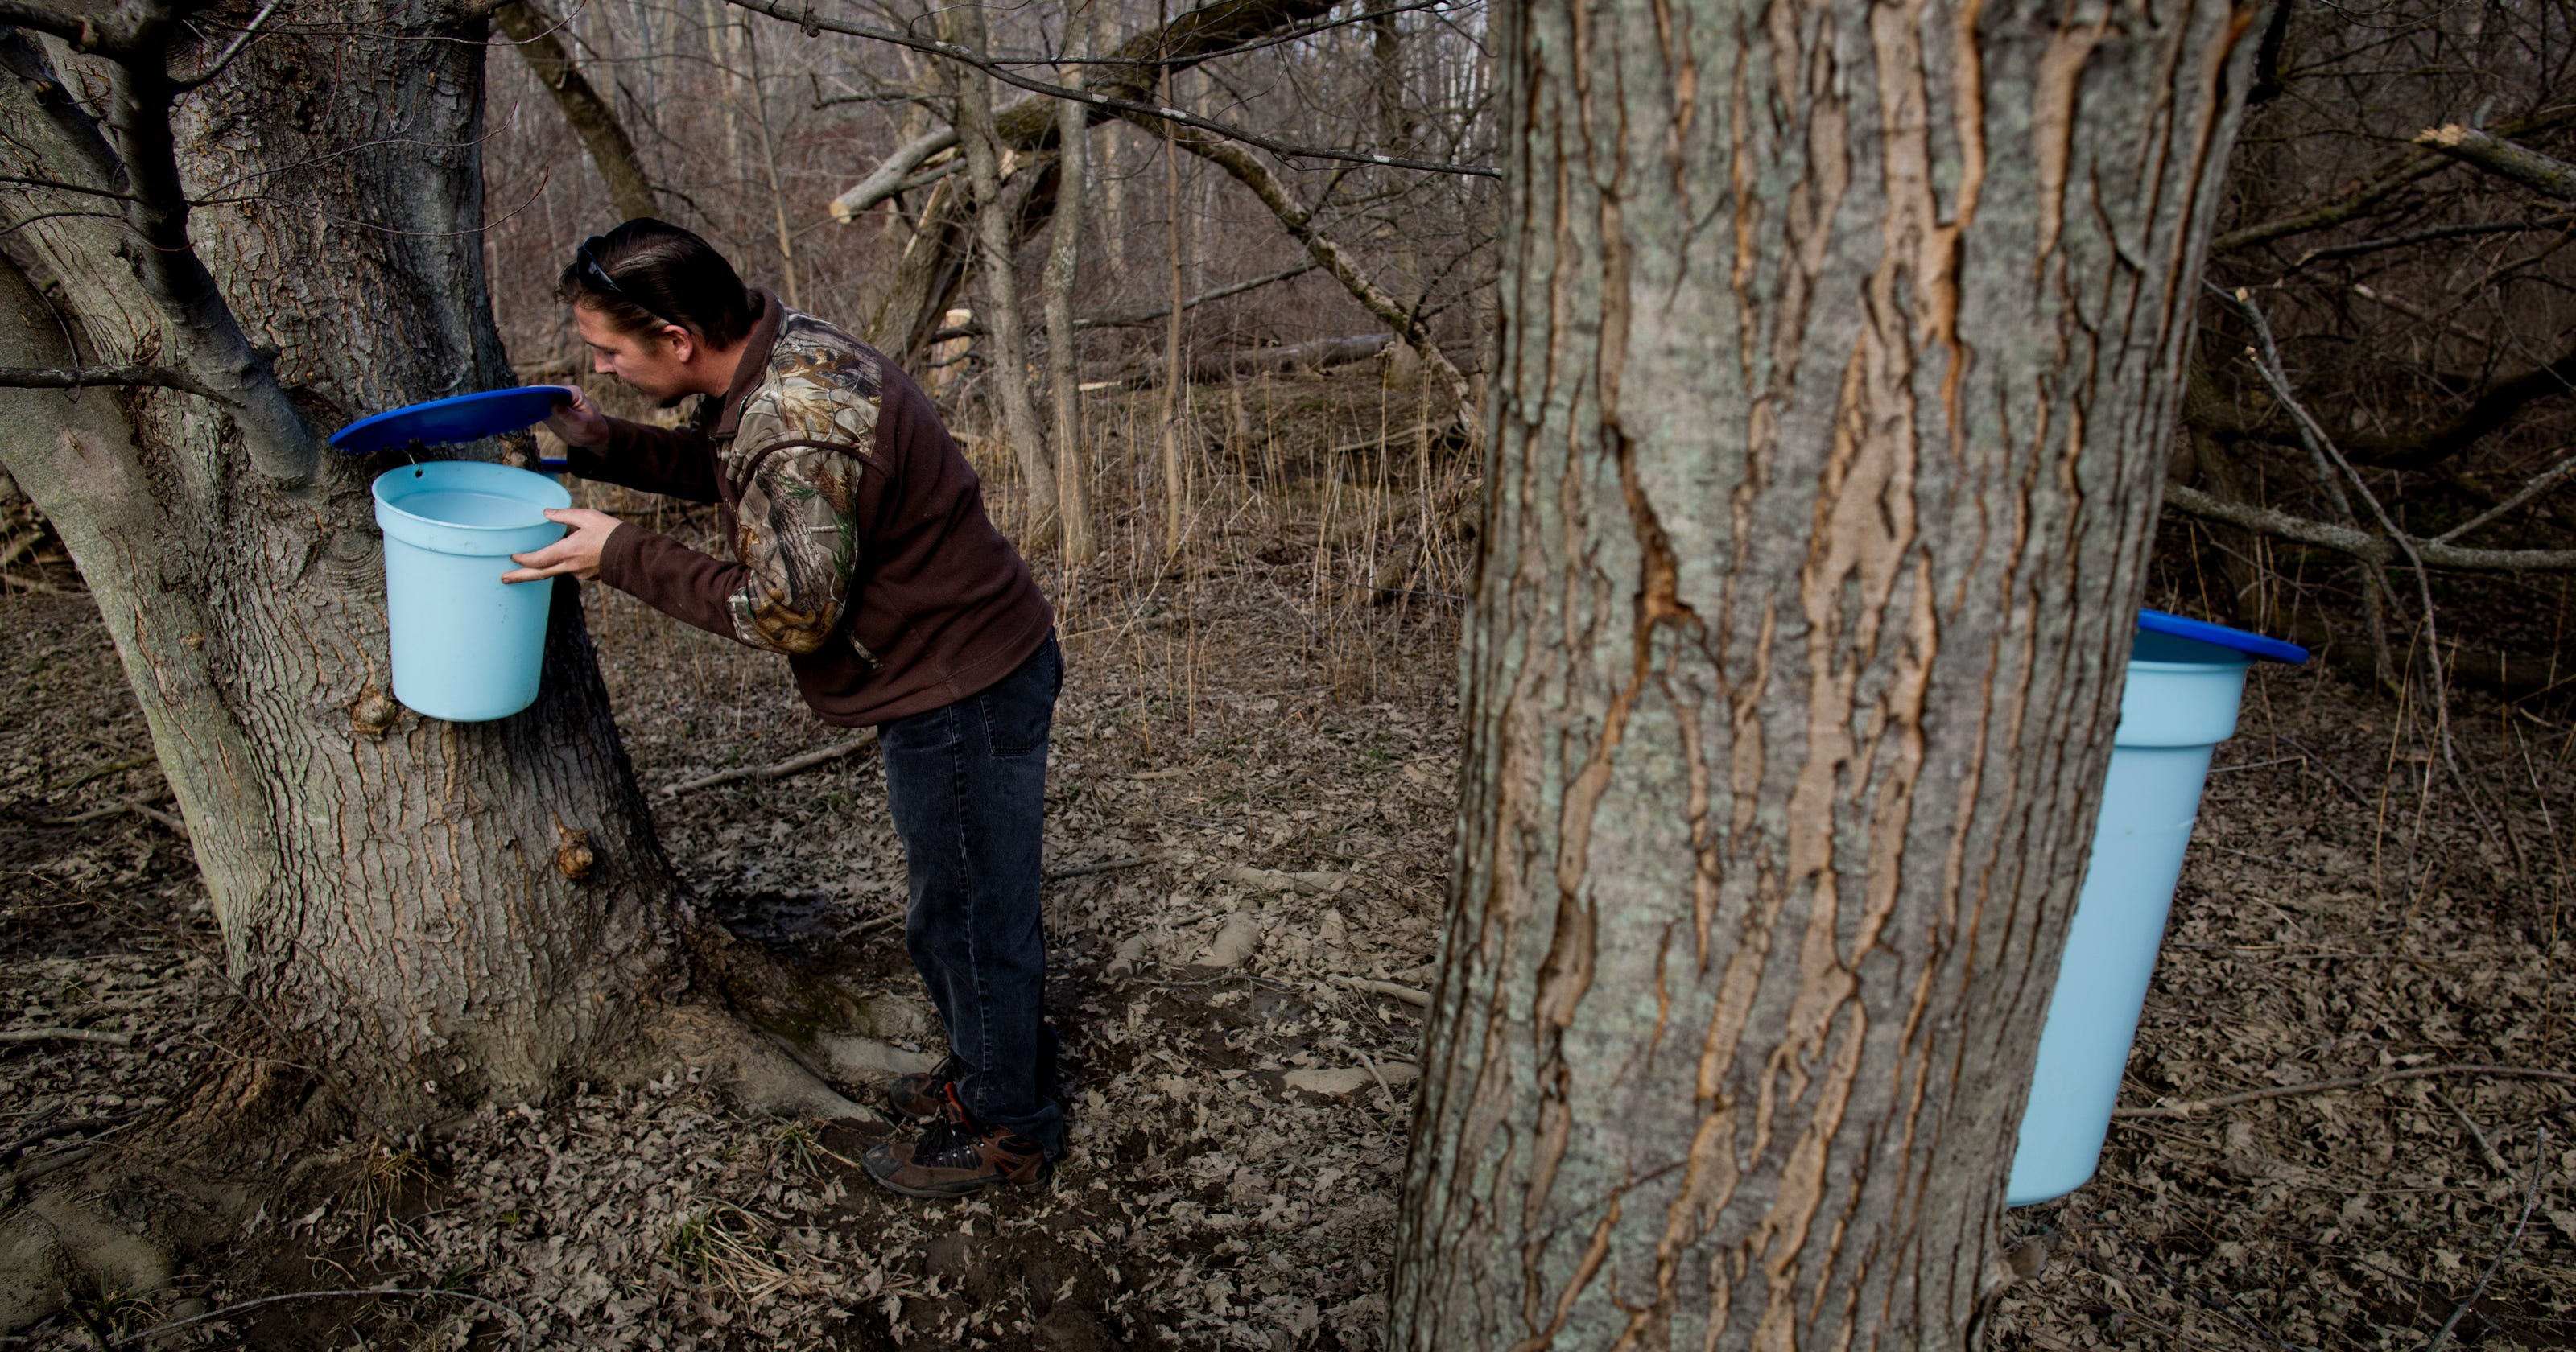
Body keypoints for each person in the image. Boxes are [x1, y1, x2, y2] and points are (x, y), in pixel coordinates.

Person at [502, 218, 1064, 1198]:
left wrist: (620, 553)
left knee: (971, 917)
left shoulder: (791, 418)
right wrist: (604, 443)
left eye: (608, 350)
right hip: (954, 665)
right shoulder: (773, 353)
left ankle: (1009, 1128)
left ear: (676, 338)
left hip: (962, 684)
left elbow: (792, 610)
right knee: (957, 909)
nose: (595, 363)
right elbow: (744, 472)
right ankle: (990, 1078)